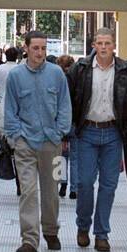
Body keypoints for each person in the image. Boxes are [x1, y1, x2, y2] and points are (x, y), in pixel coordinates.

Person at [65, 26, 127, 252]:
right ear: (93, 45)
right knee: (84, 183)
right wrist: (65, 131)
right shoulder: (79, 69)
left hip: (113, 133)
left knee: (109, 185)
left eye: (107, 43)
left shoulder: (125, 71)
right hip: (86, 132)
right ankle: (83, 226)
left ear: (114, 46)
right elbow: (67, 101)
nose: (103, 47)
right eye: (99, 43)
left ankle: (101, 233)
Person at [2, 30, 72, 252]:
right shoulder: (15, 76)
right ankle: (30, 240)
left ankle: (51, 231)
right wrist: (16, 137)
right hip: (25, 144)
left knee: (52, 192)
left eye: (43, 48)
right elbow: (10, 110)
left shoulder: (57, 75)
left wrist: (61, 132)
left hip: (53, 145)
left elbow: (64, 106)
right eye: (36, 48)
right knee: (28, 192)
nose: (40, 53)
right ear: (26, 48)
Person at [57, 54, 77, 198]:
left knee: (60, 156)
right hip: (76, 123)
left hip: (60, 124)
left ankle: (61, 185)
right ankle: (74, 189)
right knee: (76, 158)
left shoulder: (57, 82)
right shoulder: (78, 81)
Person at [0, 46, 20, 126]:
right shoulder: (19, 69)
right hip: (16, 102)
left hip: (0, 101)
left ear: (6, 55)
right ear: (16, 57)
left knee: (0, 124)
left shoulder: (0, 68)